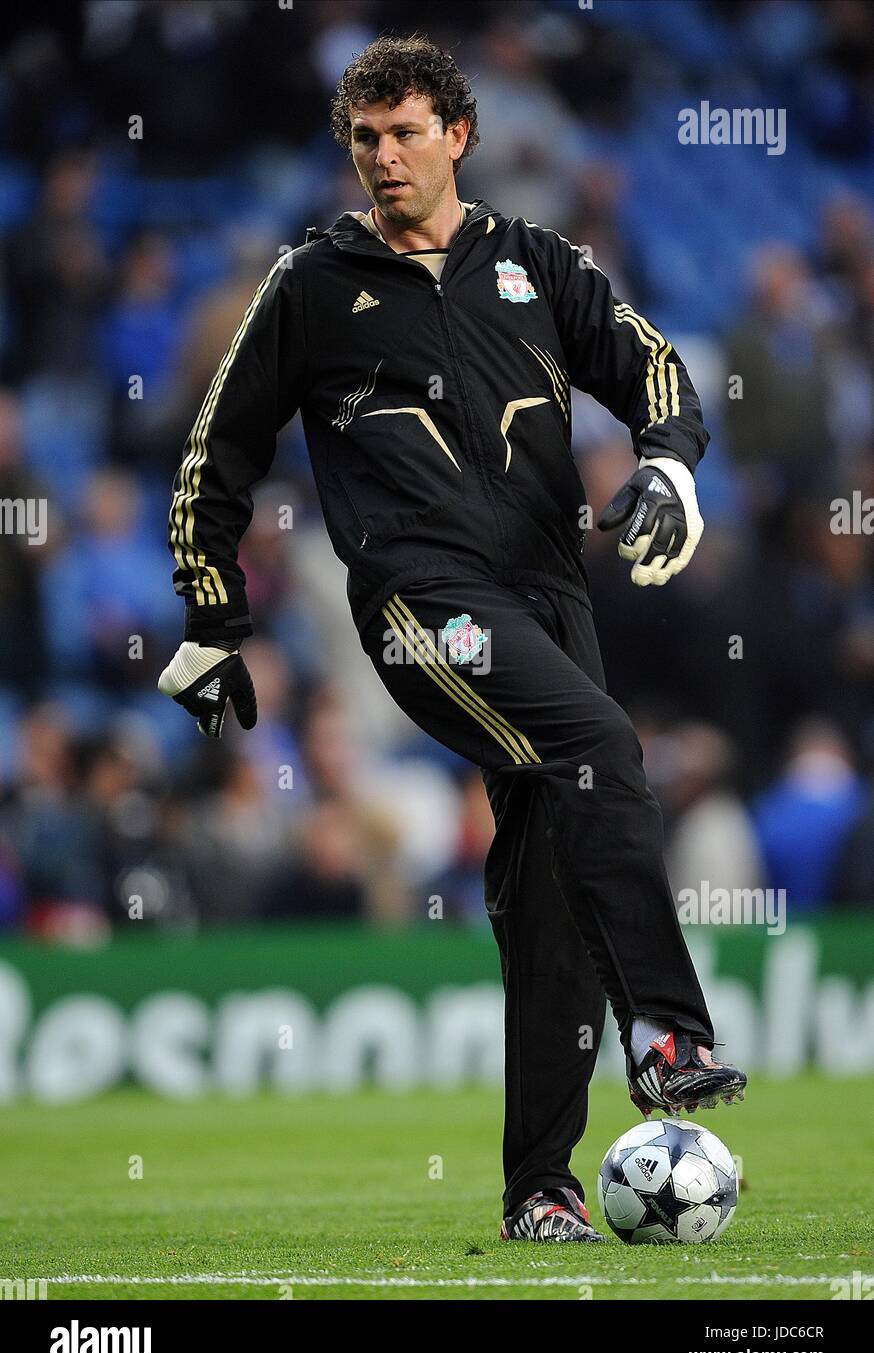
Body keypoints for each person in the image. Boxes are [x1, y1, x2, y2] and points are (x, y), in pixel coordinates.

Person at [158, 34, 746, 1244]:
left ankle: (539, 1188)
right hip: (422, 609)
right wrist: (212, 620)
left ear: (458, 136)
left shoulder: (538, 262)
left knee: (548, 885)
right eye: (364, 138)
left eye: (404, 132)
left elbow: (655, 371)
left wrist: (669, 468)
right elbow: (215, 455)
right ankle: (667, 1032)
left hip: (551, 601)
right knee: (600, 745)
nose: (382, 157)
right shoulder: (310, 284)